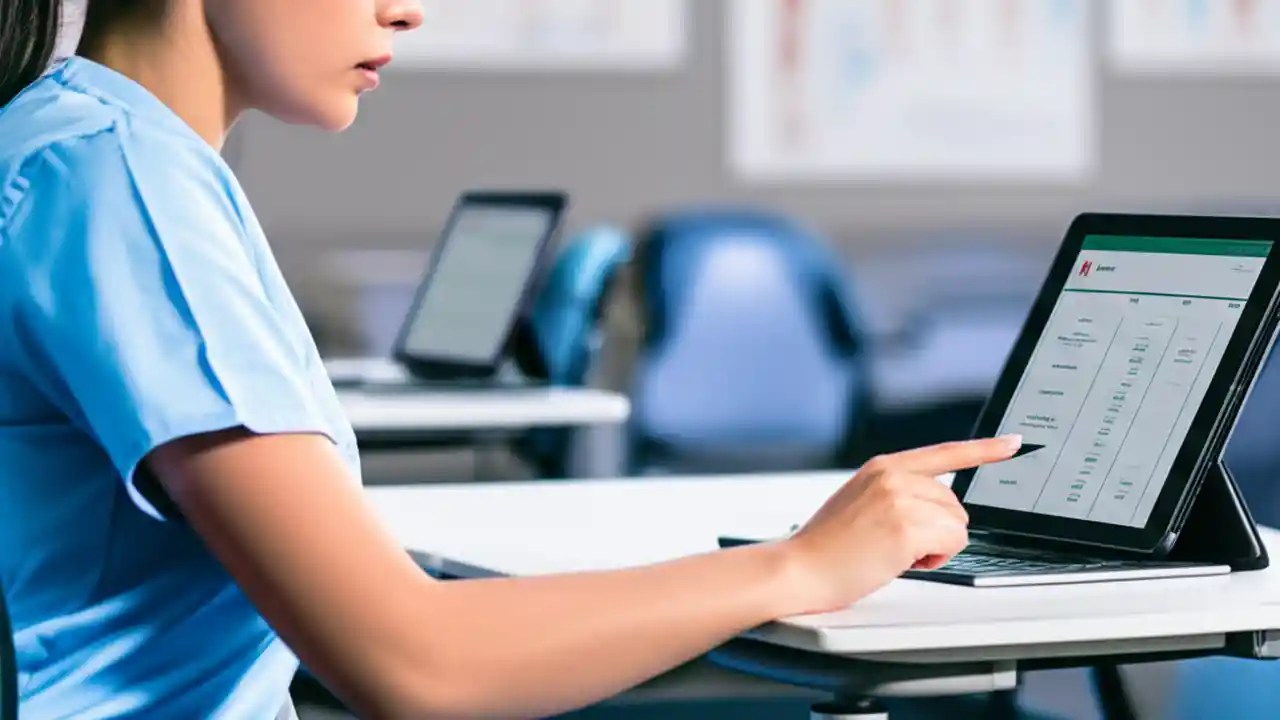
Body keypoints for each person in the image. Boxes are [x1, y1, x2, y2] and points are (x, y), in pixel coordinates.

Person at [0, 1, 1022, 717]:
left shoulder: (85, 149)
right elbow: (415, 665)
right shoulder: (120, 185)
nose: (406, 11)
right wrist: (799, 564)